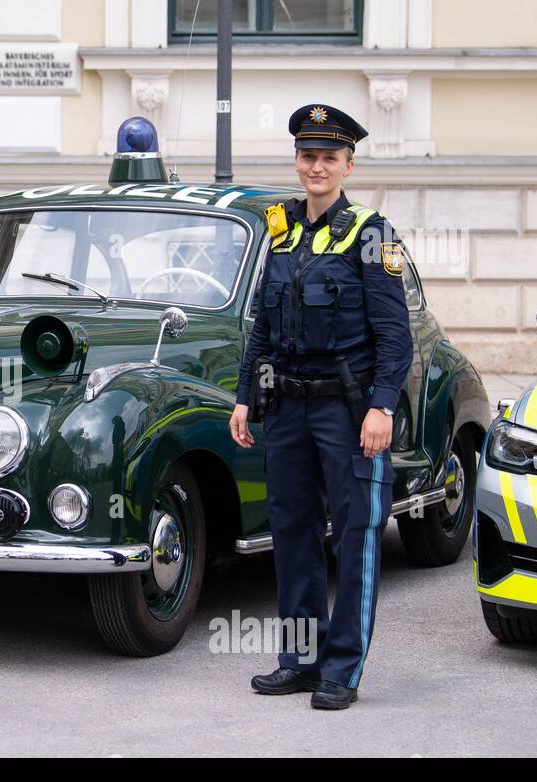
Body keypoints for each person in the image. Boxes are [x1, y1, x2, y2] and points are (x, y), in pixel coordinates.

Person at [230, 104, 413, 710]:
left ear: (348, 166)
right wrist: (244, 395)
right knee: (293, 533)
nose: (317, 166)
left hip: (348, 412)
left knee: (357, 534)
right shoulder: (279, 229)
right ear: (298, 161)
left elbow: (396, 336)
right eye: (308, 156)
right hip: (286, 409)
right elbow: (262, 323)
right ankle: (299, 659)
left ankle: (341, 670)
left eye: (329, 158)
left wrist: (381, 407)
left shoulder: (371, 234)